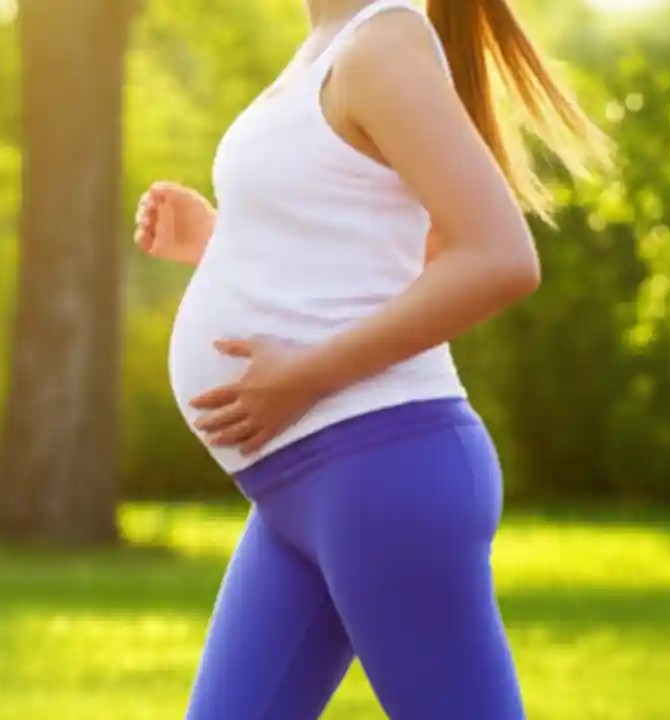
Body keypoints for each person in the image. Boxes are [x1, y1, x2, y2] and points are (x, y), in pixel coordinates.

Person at [134, 0, 608, 717]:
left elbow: (499, 257)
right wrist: (222, 242)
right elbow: (377, 252)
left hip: (381, 469)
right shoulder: (327, 46)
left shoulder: (382, 43)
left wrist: (304, 376)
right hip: (297, 490)